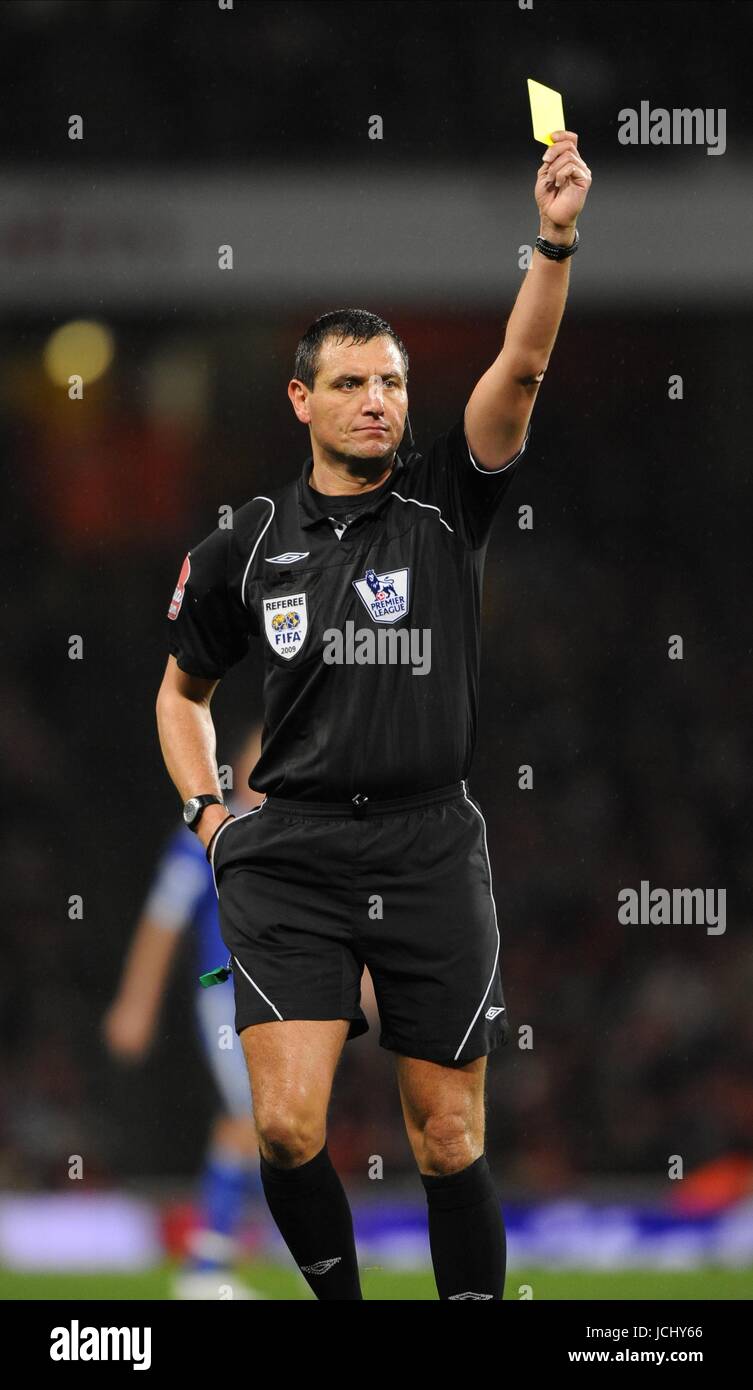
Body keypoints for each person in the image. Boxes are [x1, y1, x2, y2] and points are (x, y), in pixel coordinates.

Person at [156, 131, 592, 1300]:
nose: (376, 401)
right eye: (349, 382)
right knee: (290, 1128)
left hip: (429, 842)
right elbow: (180, 690)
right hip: (289, 850)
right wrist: (207, 810)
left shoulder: (452, 500)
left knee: (448, 1136)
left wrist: (554, 238)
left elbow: (525, 363)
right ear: (301, 398)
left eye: (392, 381)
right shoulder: (245, 542)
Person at [103, 727, 269, 1299]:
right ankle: (204, 1270)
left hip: (291, 1004)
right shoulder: (210, 833)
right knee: (252, 1113)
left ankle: (241, 1256)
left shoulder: (304, 836)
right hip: (226, 995)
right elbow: (162, 921)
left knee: (275, 1123)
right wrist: (136, 1003)